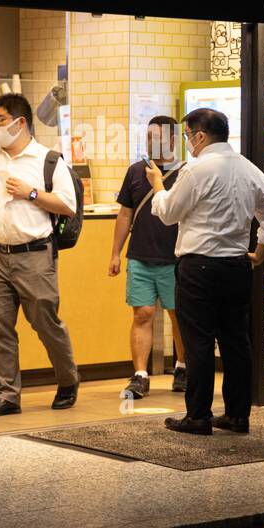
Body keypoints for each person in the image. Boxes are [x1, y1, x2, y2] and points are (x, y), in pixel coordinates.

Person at [147, 107, 264, 435]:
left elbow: (167, 213)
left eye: (188, 136)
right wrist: (259, 253)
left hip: (199, 268)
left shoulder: (196, 171)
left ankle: (198, 416)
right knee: (237, 343)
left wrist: (157, 186)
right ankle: (237, 415)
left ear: (201, 136)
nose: (187, 143)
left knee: (199, 343)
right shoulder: (251, 170)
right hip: (237, 266)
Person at [0, 93, 80, 414]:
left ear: (20, 122)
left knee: (44, 322)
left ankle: (68, 379)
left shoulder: (49, 160)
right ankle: (8, 395)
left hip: (35, 255)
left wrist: (31, 193)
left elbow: (68, 205)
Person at [110, 115, 188, 398]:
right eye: (148, 136)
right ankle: (140, 375)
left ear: (171, 140)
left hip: (176, 258)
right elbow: (125, 214)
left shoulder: (186, 173)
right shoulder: (135, 172)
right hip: (141, 257)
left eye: (156, 136)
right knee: (142, 314)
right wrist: (115, 253)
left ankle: (182, 367)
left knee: (179, 315)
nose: (150, 141)